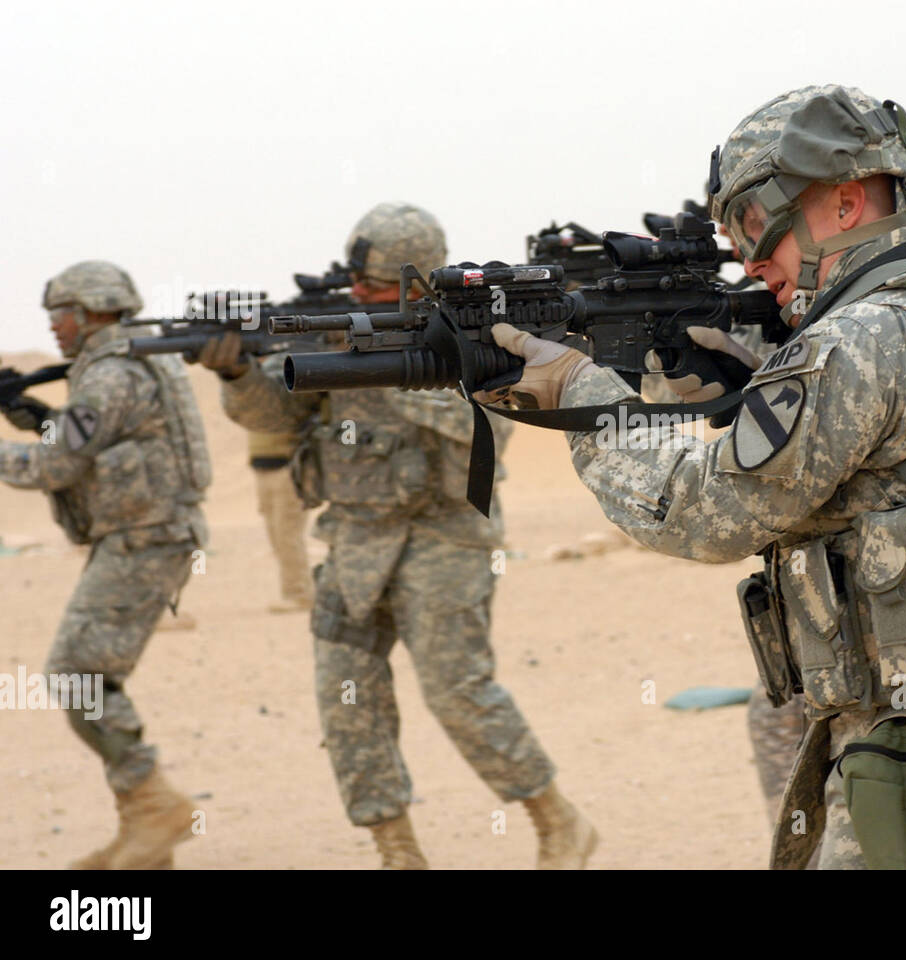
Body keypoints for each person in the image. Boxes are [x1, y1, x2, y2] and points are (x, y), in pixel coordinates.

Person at [472, 85, 906, 869]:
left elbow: (709, 512)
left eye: (756, 225)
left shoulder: (865, 335)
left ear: (842, 201)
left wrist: (583, 398)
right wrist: (757, 375)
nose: (750, 259)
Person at [199, 202, 596, 869]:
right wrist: (237, 373)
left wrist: (396, 365)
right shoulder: (333, 329)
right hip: (355, 540)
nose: (359, 295)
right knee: (347, 701)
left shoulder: (480, 333)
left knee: (459, 692)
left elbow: (495, 428)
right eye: (357, 282)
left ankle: (558, 821)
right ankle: (396, 849)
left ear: (420, 282)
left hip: (445, 538)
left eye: (376, 286)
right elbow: (274, 410)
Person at [0, 260, 211, 869]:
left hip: (148, 537)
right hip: (146, 534)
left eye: (60, 316)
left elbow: (55, 467)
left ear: (92, 311)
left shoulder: (112, 373)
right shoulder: (136, 360)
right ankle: (144, 837)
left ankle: (155, 808)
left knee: (77, 675)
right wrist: (41, 421)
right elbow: (87, 442)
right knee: (91, 676)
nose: (55, 328)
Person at [246, 429, 313, 613]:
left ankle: (299, 594)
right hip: (263, 468)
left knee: (287, 534)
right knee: (276, 534)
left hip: (288, 467)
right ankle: (299, 590)